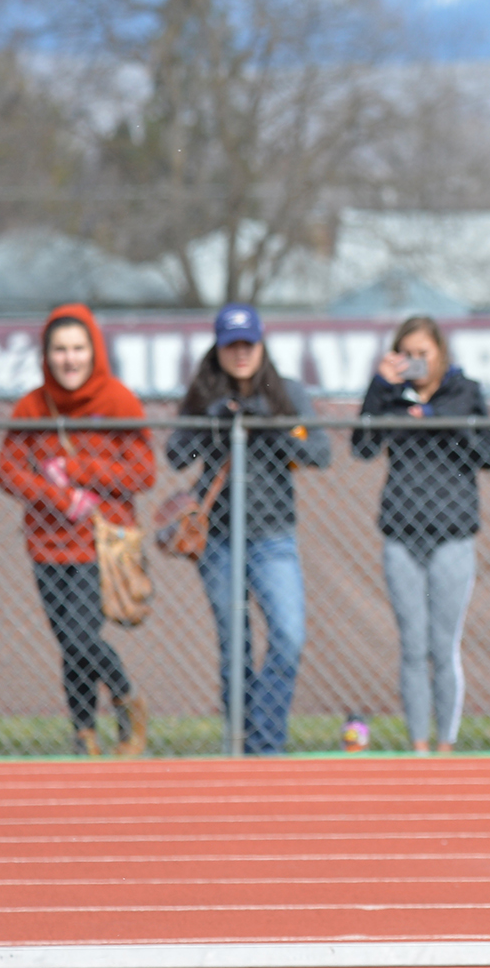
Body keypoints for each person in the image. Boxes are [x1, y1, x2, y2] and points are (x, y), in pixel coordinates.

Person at [166, 303, 331, 755]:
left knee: (289, 635)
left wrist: (275, 427)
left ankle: (264, 739)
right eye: (231, 345)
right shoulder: (203, 391)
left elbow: (319, 451)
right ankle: (239, 742)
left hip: (273, 533)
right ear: (218, 348)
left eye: (248, 344)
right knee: (233, 644)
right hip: (218, 538)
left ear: (261, 345)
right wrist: (213, 423)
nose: (240, 353)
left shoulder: (287, 391)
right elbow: (176, 454)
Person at [0, 304, 156, 756]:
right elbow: (7, 471)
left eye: (78, 349)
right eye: (60, 350)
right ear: (47, 354)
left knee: (81, 636)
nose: (70, 359)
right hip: (46, 544)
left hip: (99, 543)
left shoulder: (120, 401)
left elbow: (143, 472)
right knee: (69, 642)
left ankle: (128, 700)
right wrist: (59, 496)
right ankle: (84, 734)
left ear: (94, 350)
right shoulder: (32, 406)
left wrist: (79, 469)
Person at [354, 315, 490, 754]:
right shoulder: (391, 397)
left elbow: (489, 454)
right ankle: (418, 746)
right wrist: (379, 389)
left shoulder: (466, 392)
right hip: (402, 532)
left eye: (424, 354)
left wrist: (437, 416)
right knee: (413, 645)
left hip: (452, 531)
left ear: (441, 353)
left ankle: (445, 746)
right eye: (408, 354)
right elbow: (361, 447)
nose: (416, 362)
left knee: (443, 643)